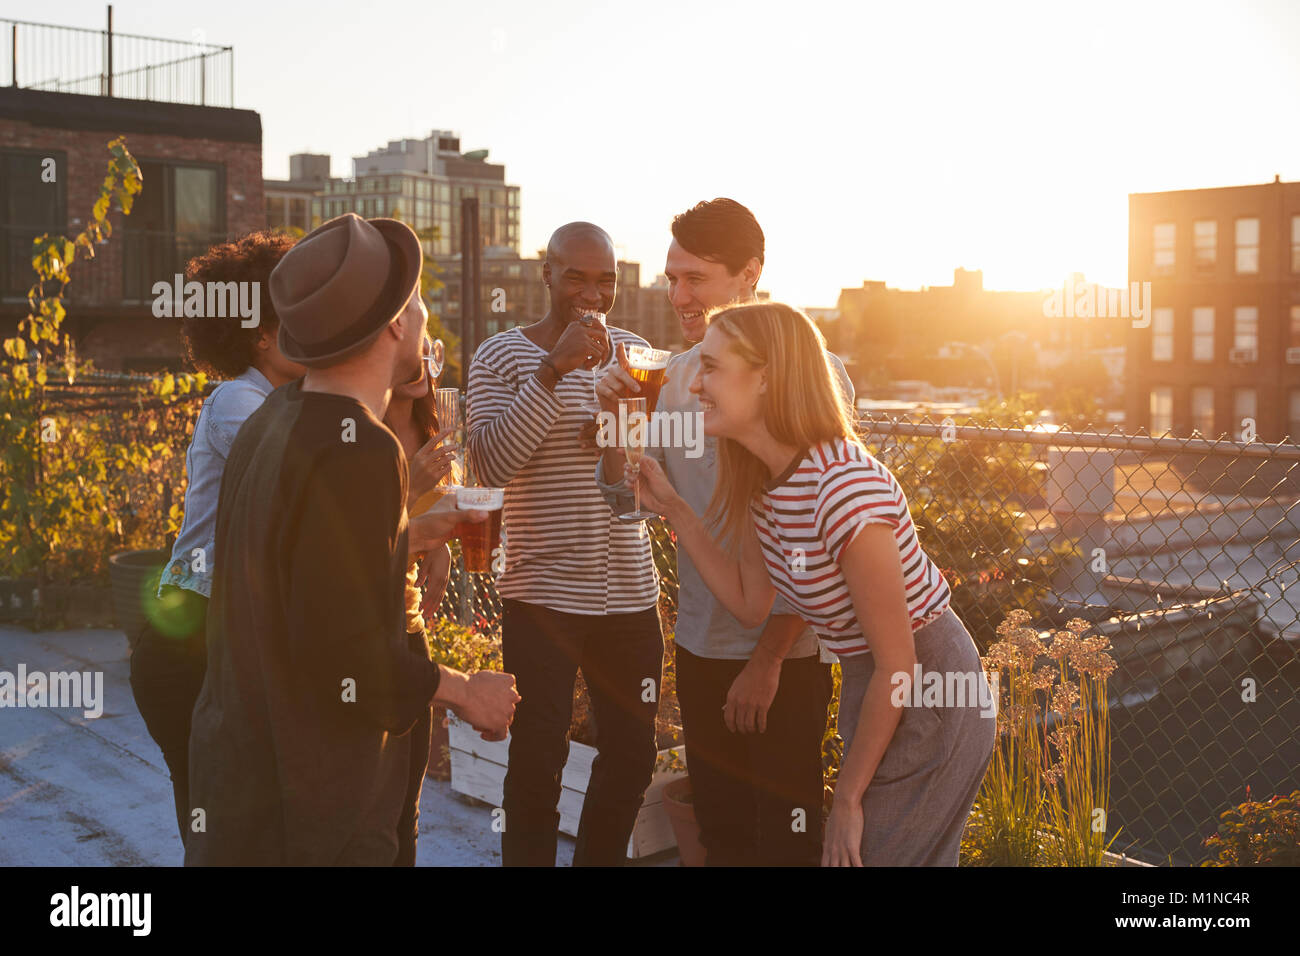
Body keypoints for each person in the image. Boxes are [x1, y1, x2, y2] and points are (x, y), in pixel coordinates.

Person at [185, 213, 519, 866]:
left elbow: (308, 583)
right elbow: (351, 659)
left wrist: (411, 534)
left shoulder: (276, 419)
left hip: (246, 782)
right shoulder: (361, 449)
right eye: (419, 302)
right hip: (321, 804)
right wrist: (466, 690)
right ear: (395, 323)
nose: (425, 318)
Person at [631, 302, 996, 866]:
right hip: (873, 686)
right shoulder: (763, 482)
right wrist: (674, 507)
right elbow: (752, 604)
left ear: (767, 378)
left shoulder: (844, 487)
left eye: (712, 368)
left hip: (929, 689)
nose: (697, 383)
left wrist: (846, 800)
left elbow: (898, 665)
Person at [592, 199, 852, 865]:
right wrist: (619, 419)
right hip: (704, 648)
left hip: (786, 658)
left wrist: (767, 660)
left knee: (789, 835)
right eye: (671, 278)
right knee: (723, 833)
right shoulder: (671, 379)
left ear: (748, 275)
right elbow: (626, 502)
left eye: (695, 279)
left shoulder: (810, 378)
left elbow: (824, 545)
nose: (678, 295)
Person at [466, 221, 663, 867]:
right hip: (543, 593)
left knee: (633, 756)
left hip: (630, 592)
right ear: (545, 274)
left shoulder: (636, 353)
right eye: (575, 276)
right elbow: (490, 466)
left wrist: (615, 442)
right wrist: (552, 375)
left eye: (604, 279)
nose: (591, 293)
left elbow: (642, 480)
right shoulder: (502, 357)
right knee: (538, 759)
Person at [129, 230, 304, 841]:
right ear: (261, 335)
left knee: (243, 825)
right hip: (189, 639)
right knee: (216, 825)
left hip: (227, 635)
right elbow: (303, 485)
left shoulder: (288, 399)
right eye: (300, 322)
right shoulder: (238, 399)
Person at [382, 334, 459, 866]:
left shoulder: (433, 426)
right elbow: (358, 539)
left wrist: (441, 545)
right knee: (373, 805)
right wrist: (412, 500)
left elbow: (434, 515)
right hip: (367, 625)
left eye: (427, 349)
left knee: (407, 801)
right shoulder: (362, 430)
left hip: (408, 619)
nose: (419, 357)